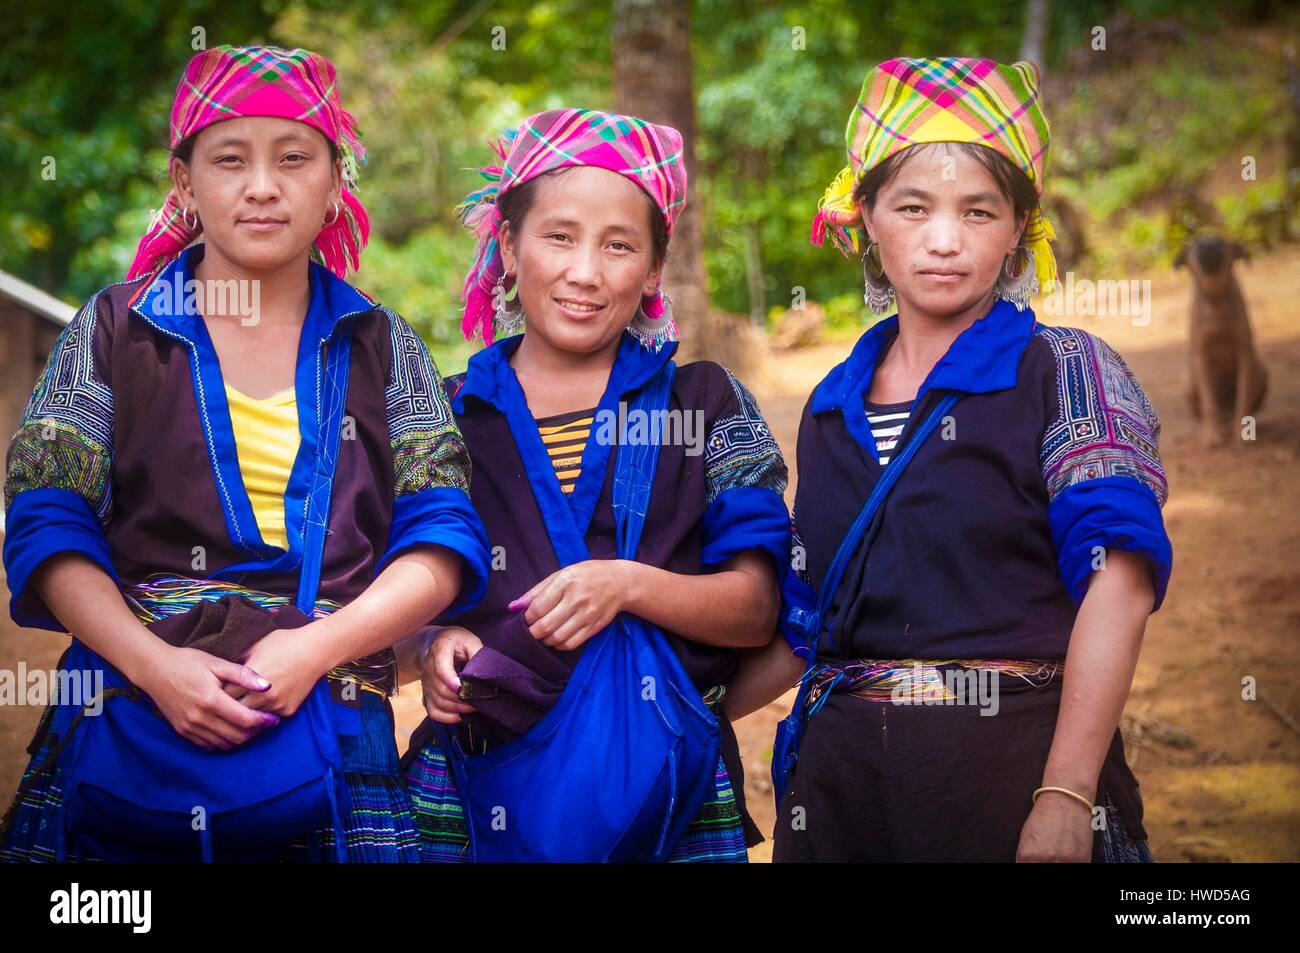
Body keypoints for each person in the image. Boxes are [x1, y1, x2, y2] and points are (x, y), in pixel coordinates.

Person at [0, 45, 488, 862]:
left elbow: (441, 540)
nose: (262, 186)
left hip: (333, 717)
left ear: (336, 183)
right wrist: (157, 666)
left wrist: (315, 650)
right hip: (130, 706)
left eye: (294, 158)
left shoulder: (383, 345)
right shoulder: (117, 330)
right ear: (185, 182)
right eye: (230, 159)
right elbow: (47, 521)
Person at [764, 57, 1172, 862]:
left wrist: (1065, 795)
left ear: (1020, 226)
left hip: (1013, 780)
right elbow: (808, 617)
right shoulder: (829, 405)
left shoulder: (1068, 371)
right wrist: (664, 713)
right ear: (866, 216)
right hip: (842, 799)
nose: (944, 240)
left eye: (979, 211)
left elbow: (1119, 580)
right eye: (913, 207)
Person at [398, 108, 791, 862]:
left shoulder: (704, 403)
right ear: (508, 247)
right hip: (475, 780)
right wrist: (429, 646)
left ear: (651, 270)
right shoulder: (443, 415)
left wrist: (627, 585)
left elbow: (757, 609)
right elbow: (383, 612)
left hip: (666, 791)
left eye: (618, 246)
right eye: (559, 236)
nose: (585, 271)